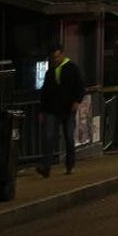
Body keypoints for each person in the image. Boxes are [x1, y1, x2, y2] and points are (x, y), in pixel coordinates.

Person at [38, 44, 85, 177]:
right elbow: (45, 92)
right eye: (53, 58)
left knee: (69, 137)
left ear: (62, 55)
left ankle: (70, 164)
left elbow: (80, 86)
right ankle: (46, 167)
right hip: (52, 109)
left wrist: (76, 101)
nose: (55, 59)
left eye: (57, 57)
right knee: (48, 137)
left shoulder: (72, 69)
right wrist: (42, 110)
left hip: (68, 109)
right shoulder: (50, 72)